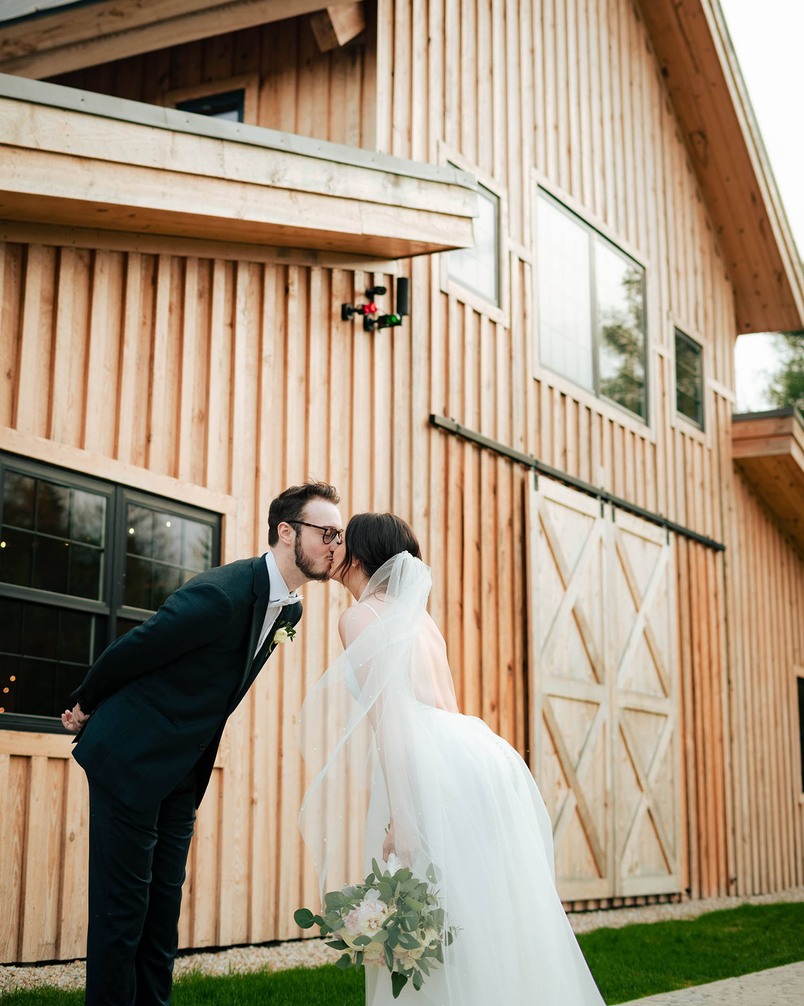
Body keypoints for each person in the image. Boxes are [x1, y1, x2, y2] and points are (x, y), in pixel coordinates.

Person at [298, 513, 605, 1005]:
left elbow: (390, 721)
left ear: (362, 554)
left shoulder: (359, 617)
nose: (333, 549)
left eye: (342, 541)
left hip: (427, 763)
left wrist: (402, 820)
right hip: (477, 753)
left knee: (432, 901)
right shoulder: (420, 618)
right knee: (479, 904)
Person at [61, 482, 342, 1006]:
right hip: (130, 758)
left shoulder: (289, 611)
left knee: (162, 911)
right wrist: (84, 702)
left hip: (182, 770)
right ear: (286, 532)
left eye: (339, 535)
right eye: (326, 532)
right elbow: (137, 647)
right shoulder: (223, 593)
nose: (335, 545)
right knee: (122, 913)